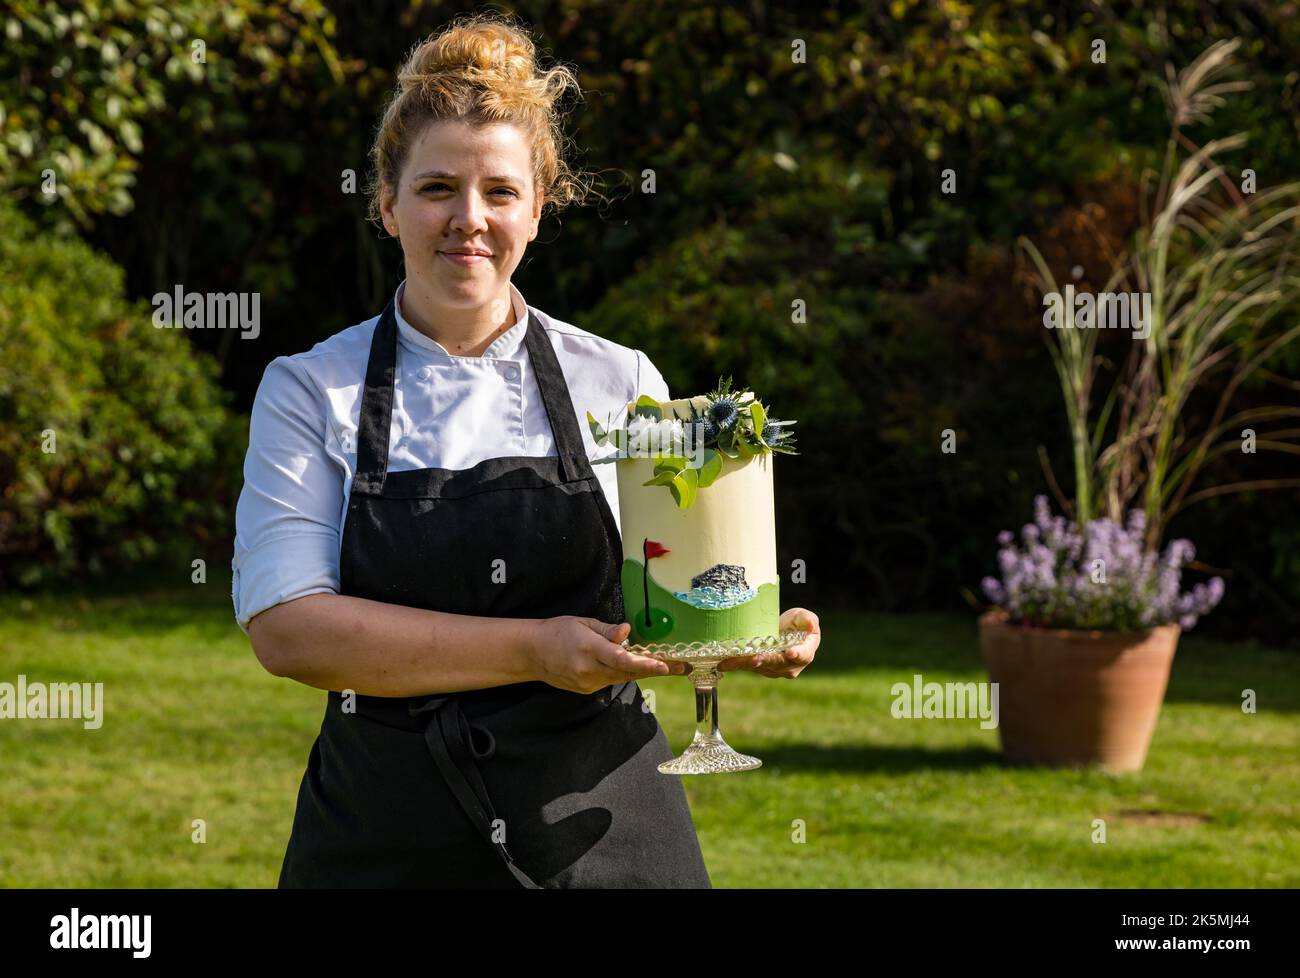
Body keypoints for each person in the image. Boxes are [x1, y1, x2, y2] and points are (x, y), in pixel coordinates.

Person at [231, 11, 820, 889]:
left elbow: (668, 575)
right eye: (437, 189)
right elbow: (289, 629)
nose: (469, 219)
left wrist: (730, 632)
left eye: (500, 192)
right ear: (386, 205)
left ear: (539, 210)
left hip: (604, 825)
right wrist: (534, 650)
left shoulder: (618, 381)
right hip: (385, 833)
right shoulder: (312, 388)